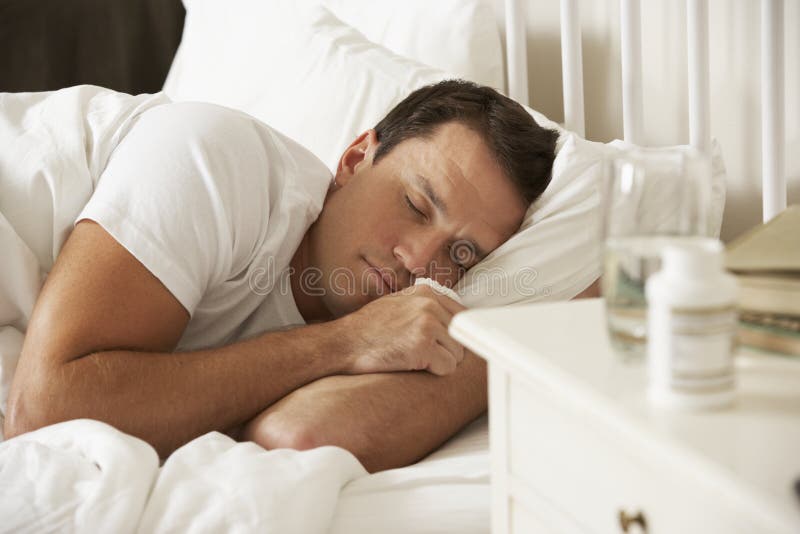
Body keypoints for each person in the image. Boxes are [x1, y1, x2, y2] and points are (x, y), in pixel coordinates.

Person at [3, 80, 558, 472]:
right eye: (415, 205)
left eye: (461, 254)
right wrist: (341, 342)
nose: (420, 263)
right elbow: (45, 409)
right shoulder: (218, 160)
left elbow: (295, 436)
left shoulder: (386, 326)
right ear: (355, 159)